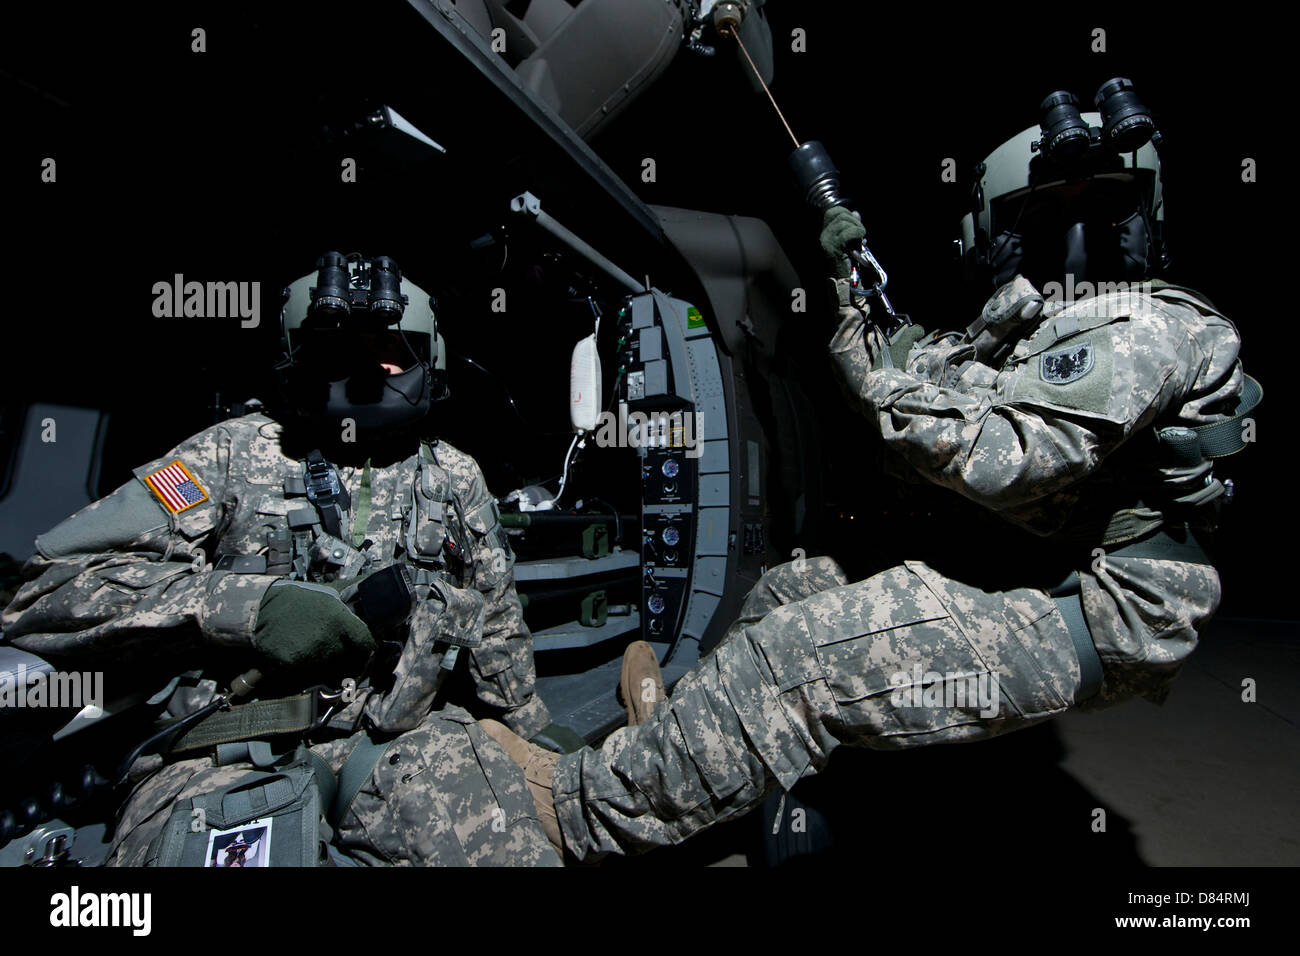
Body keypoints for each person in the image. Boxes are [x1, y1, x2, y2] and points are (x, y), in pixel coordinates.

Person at [487, 89, 1262, 861]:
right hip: (1032, 563)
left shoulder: (1148, 325)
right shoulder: (1026, 335)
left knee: (805, 656)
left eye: (1101, 208)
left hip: (1104, 609)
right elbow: (904, 362)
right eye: (1051, 212)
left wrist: (890, 384)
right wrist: (849, 282)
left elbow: (997, 455)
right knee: (791, 589)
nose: (1077, 231)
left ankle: (584, 808)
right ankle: (685, 749)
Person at [2, 252, 658, 866]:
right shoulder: (231, 454)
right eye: (337, 355)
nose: (365, 375)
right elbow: (49, 592)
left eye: (390, 356)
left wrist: (529, 736)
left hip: (399, 741)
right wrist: (244, 610)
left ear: (431, 362)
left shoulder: (455, 476)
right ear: (296, 362)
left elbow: (495, 621)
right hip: (227, 747)